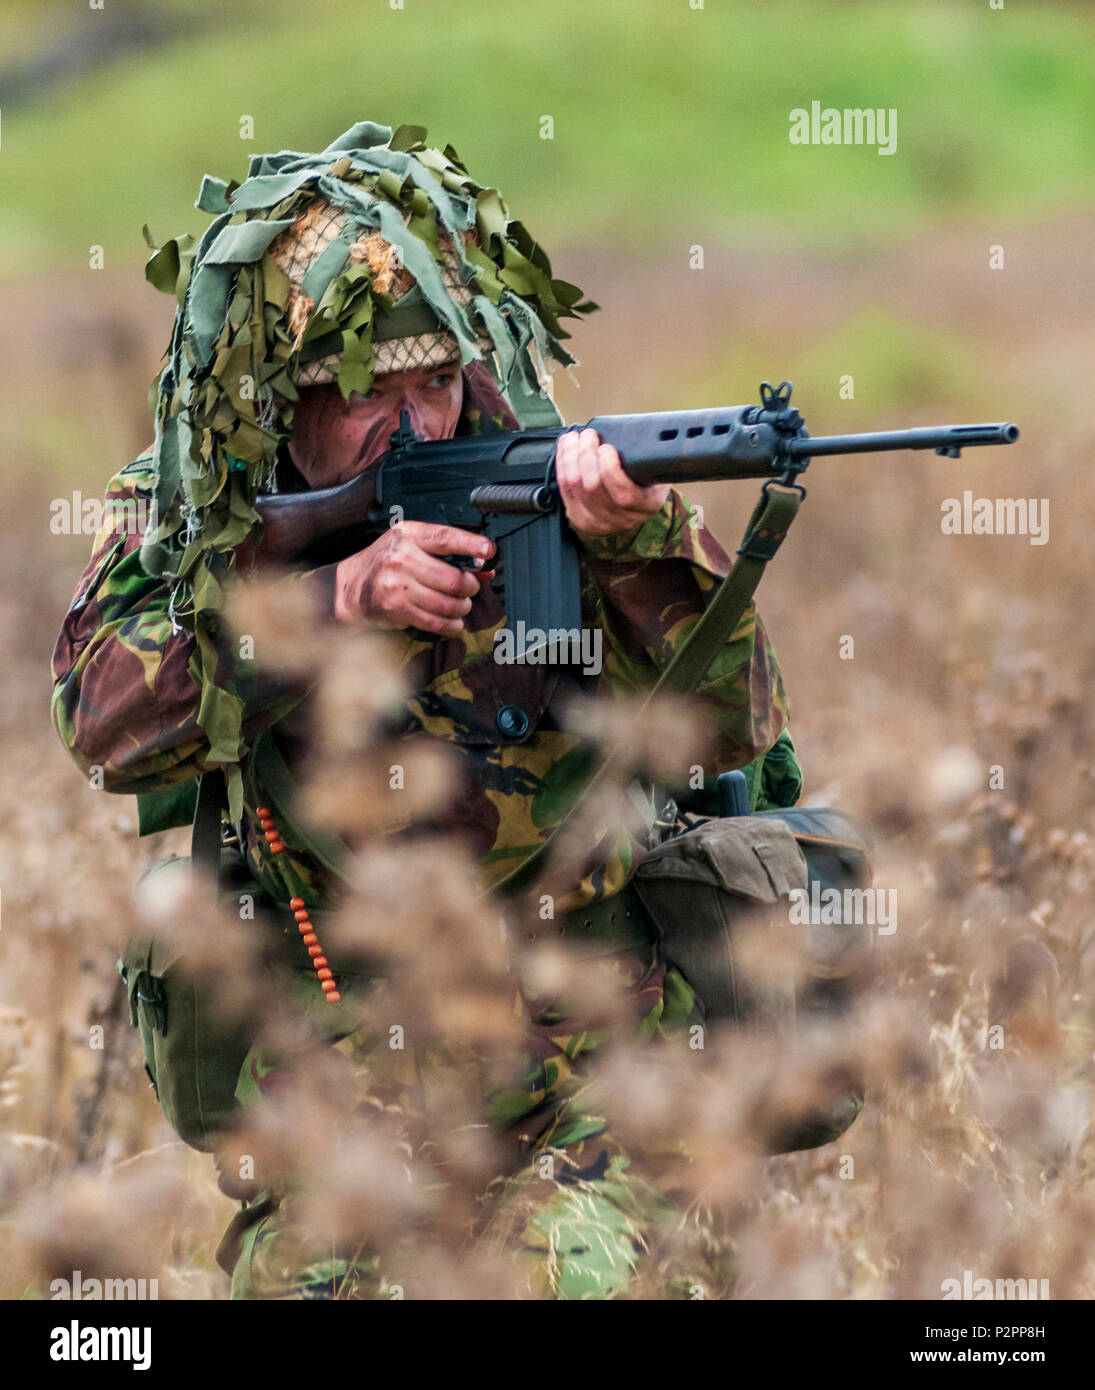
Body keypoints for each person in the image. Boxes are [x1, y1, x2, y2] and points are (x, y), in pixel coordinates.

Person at [51, 122, 804, 1298]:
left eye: (439, 384)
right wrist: (338, 598)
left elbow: (739, 724)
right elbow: (102, 721)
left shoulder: (553, 480)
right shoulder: (201, 509)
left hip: (602, 1102)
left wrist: (641, 542)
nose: (416, 429)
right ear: (280, 403)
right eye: (366, 396)